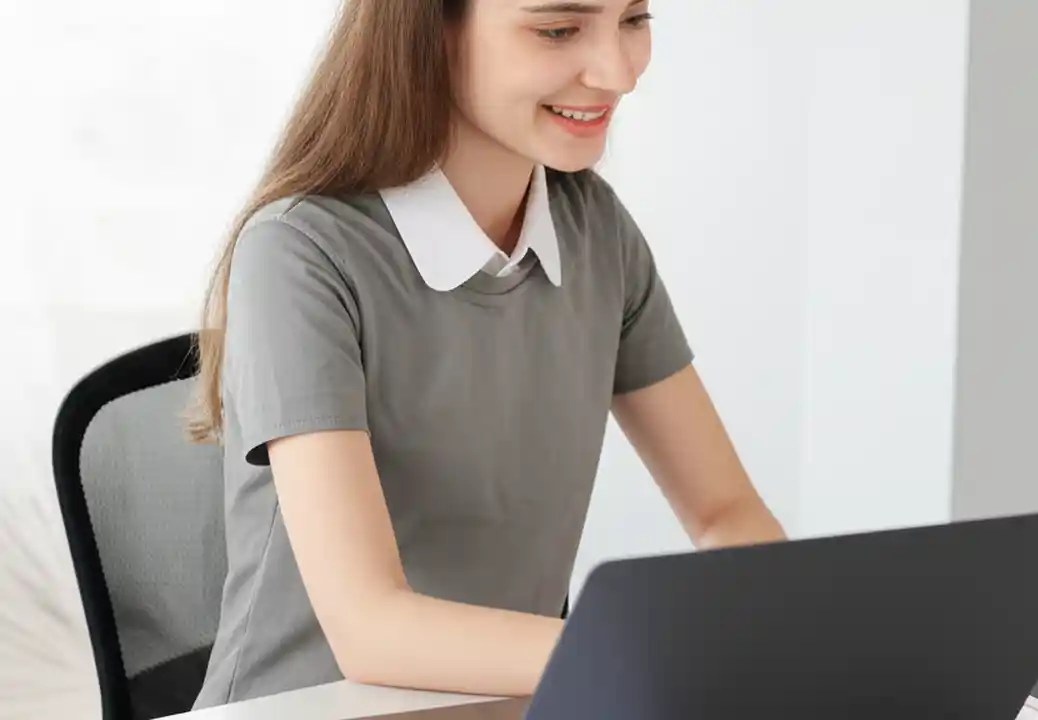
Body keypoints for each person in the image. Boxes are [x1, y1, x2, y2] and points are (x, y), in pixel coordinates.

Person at [187, 0, 785, 709]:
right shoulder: (300, 254)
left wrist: (778, 633)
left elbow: (724, 512)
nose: (618, 72)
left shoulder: (595, 231)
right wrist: (648, 652)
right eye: (558, 29)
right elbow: (371, 628)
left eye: (634, 20)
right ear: (430, 30)